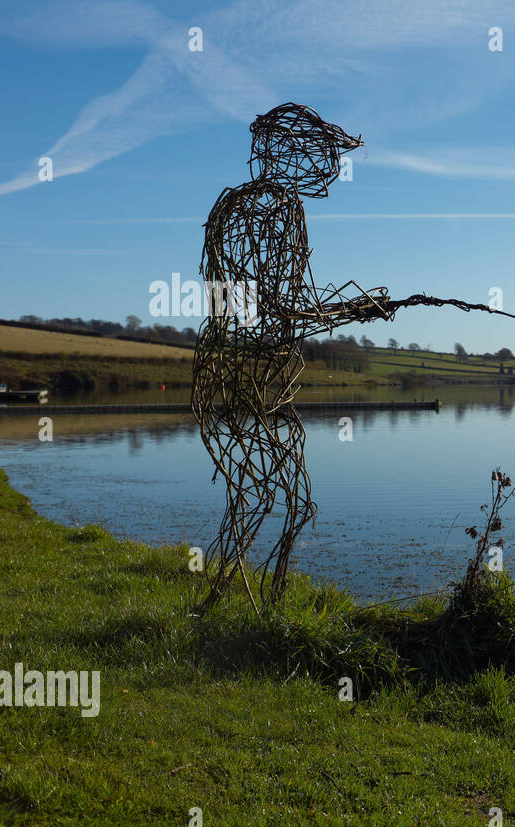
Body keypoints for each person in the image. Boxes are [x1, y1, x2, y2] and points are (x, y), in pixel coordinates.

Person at [194, 103, 395, 611]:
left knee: (258, 496)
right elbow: (285, 310)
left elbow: (235, 309)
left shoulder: (227, 210)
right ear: (282, 149)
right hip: (251, 375)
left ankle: (229, 604)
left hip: (226, 370)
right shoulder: (279, 209)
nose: (329, 166)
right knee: (279, 499)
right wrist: (358, 308)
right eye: (323, 153)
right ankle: (261, 615)